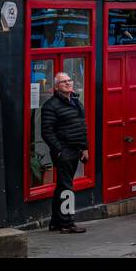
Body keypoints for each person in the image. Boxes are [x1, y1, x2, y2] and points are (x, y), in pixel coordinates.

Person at [40, 71, 90, 234]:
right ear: (56, 87)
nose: (68, 83)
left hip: (76, 149)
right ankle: (67, 223)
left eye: (69, 80)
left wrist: (84, 148)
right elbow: (47, 132)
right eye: (63, 82)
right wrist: (60, 150)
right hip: (64, 151)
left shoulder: (75, 102)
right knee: (67, 187)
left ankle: (55, 222)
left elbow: (81, 127)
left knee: (62, 186)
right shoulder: (51, 106)